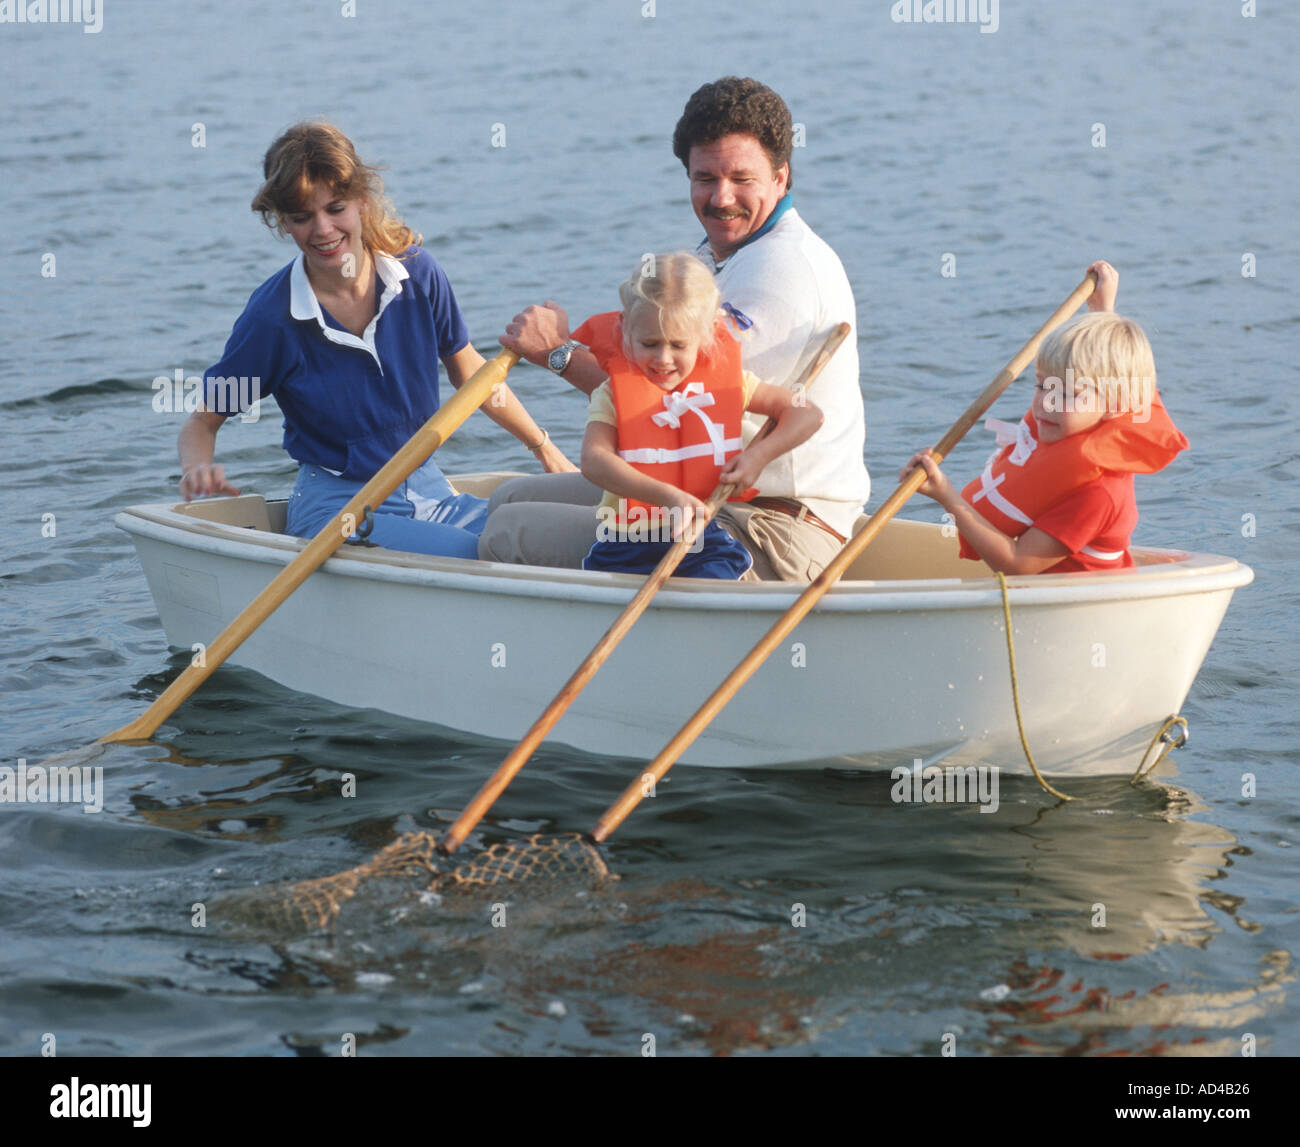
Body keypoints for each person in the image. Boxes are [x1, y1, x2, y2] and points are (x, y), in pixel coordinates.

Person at [481, 76, 869, 580]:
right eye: (705, 178)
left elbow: (668, 405)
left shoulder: (782, 271)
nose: (721, 198)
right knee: (509, 496)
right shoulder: (723, 253)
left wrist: (557, 353)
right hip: (694, 491)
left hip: (770, 527)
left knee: (507, 532)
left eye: (741, 179)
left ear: (781, 177)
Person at [176, 121, 574, 558]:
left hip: (430, 492)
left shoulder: (419, 275)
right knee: (483, 551)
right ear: (282, 223)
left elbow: (471, 374)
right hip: (337, 510)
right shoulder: (272, 318)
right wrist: (198, 468)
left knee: (548, 534)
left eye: (335, 208)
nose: (323, 230)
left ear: (363, 200)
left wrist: (545, 450)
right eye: (302, 217)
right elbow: (203, 420)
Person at [900, 262, 1188, 574]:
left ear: (1115, 403)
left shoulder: (1098, 494)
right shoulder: (1068, 425)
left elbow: (1017, 562)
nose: (1047, 403)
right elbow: (1094, 368)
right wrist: (1102, 309)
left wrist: (946, 496)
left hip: (1079, 612)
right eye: (1041, 385)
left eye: (1067, 394)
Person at [579, 253, 823, 578]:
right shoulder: (611, 394)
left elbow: (807, 414)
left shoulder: (731, 386)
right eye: (649, 343)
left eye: (678, 345)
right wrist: (668, 497)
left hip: (699, 540)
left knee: (720, 572)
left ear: (705, 335)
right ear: (625, 329)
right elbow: (594, 460)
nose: (663, 359)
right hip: (628, 541)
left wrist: (758, 457)